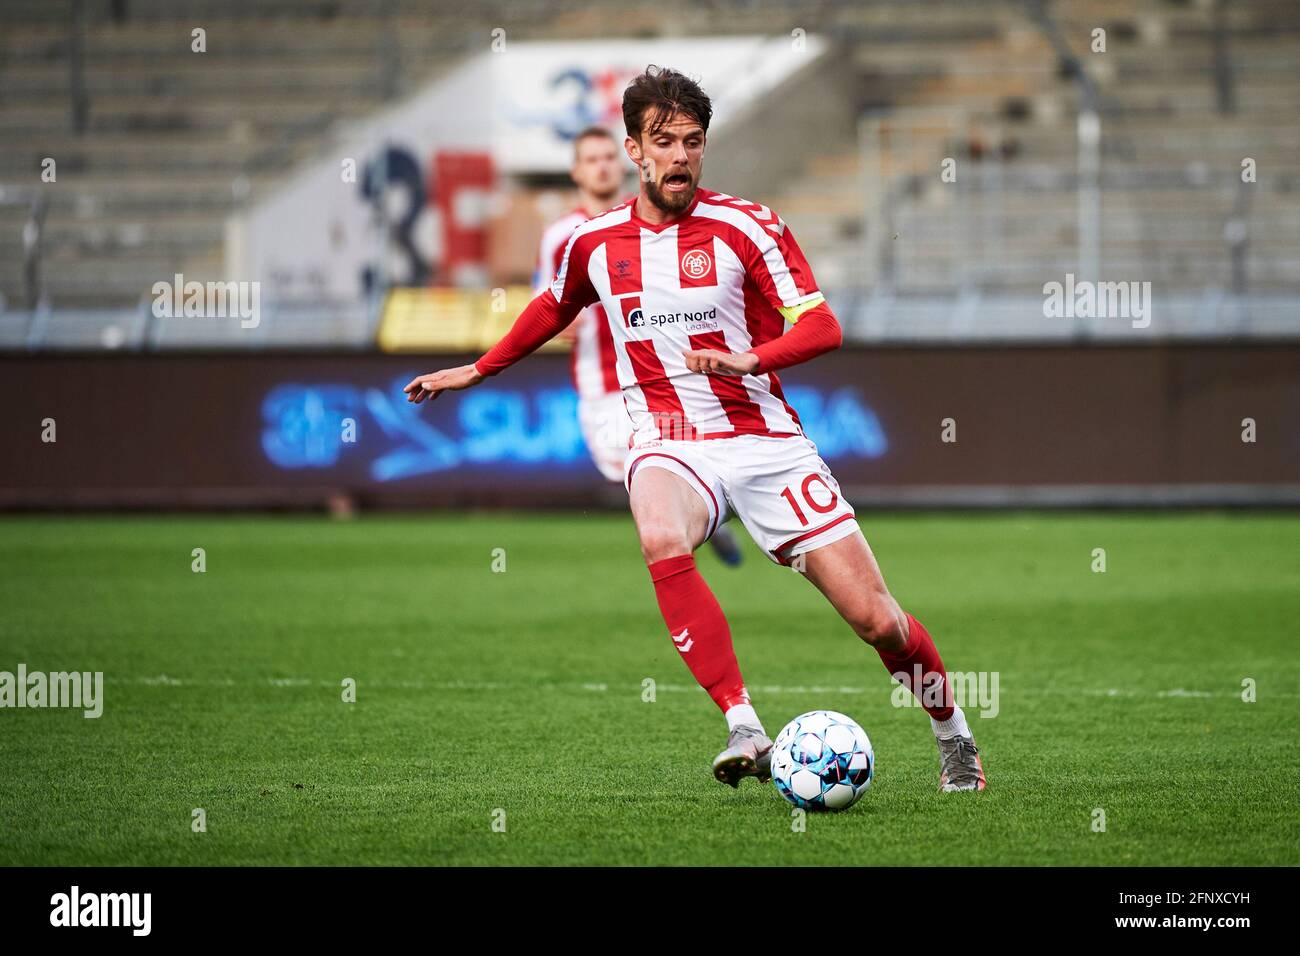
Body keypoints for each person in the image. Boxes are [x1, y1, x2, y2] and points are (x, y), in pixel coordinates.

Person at [405, 65, 986, 792]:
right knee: (657, 532)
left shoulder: (749, 225)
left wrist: (751, 358)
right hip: (668, 435)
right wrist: (480, 368)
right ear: (634, 151)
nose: (680, 155)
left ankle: (953, 735)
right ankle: (743, 720)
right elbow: (554, 306)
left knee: (880, 623)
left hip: (765, 441)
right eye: (664, 141)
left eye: (693, 141)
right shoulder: (595, 243)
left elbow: (823, 324)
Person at [538, 125, 744, 565]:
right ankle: (713, 515)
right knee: (628, 467)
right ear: (576, 171)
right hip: (602, 388)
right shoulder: (565, 236)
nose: (603, 166)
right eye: (591, 159)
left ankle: (701, 520)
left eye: (608, 156)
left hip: (660, 379)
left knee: (667, 459)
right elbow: (547, 306)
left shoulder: (652, 220)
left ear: (627, 159)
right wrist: (561, 326)